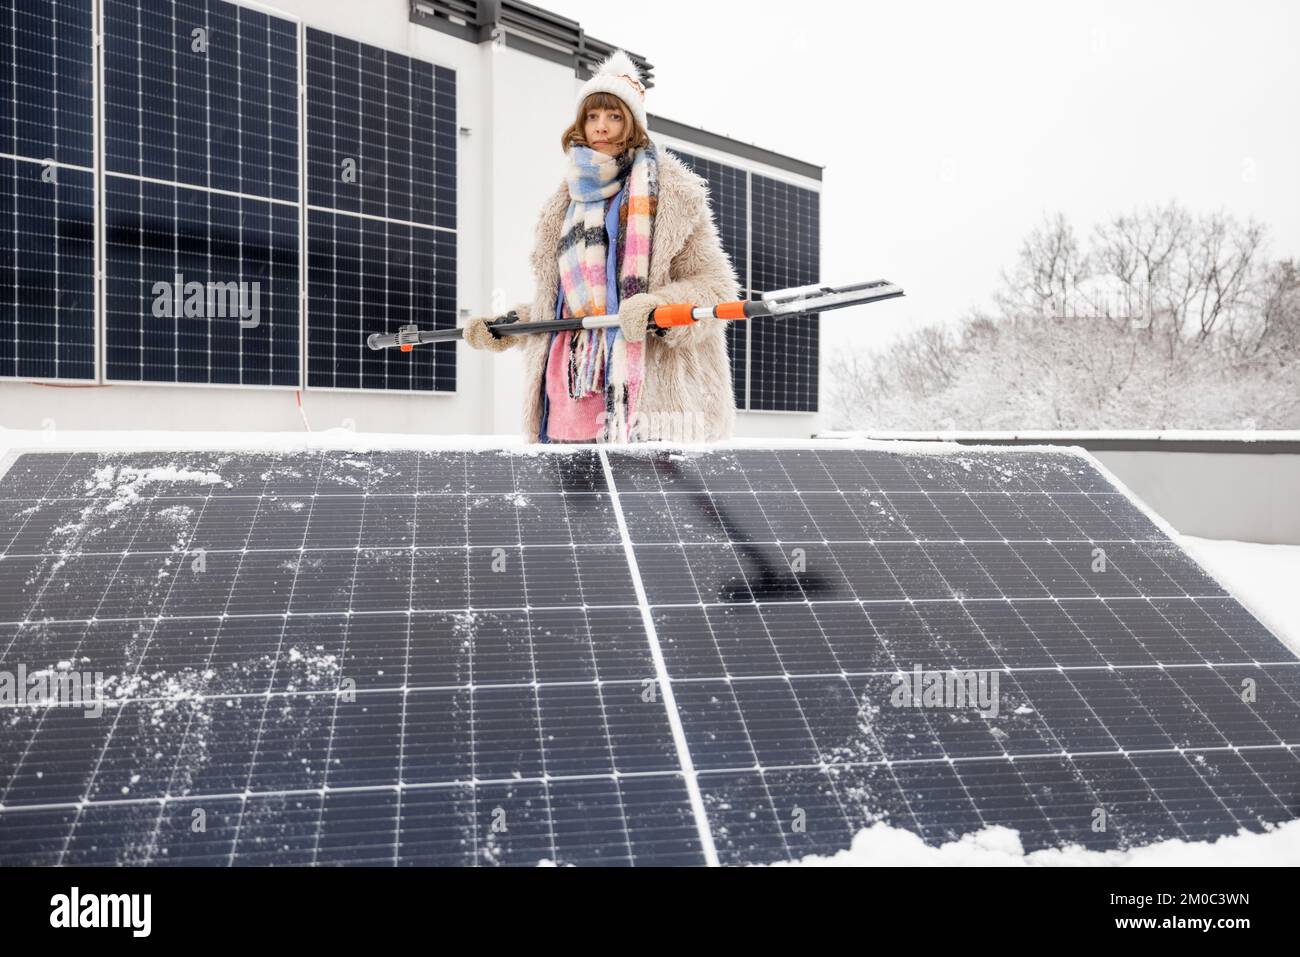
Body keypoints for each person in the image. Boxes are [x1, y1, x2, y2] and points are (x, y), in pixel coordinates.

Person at [462, 49, 738, 444]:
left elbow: (716, 288)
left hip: (650, 400)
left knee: (644, 504)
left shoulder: (675, 195)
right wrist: (509, 328)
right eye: (592, 116)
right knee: (571, 504)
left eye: (614, 116)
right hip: (570, 397)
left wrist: (659, 308)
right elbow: (564, 310)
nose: (601, 127)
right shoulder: (564, 205)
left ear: (633, 126)